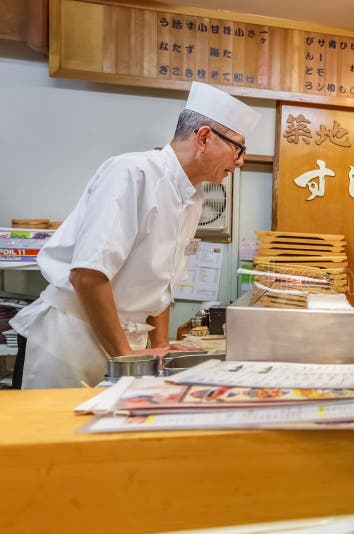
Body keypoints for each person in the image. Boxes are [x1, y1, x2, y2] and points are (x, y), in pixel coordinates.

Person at [10, 82, 261, 389]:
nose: (240, 161)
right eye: (238, 148)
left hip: (128, 345)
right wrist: (127, 358)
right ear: (205, 137)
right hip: (72, 340)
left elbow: (161, 286)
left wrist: (162, 345)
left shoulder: (193, 197)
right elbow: (88, 275)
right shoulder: (133, 172)